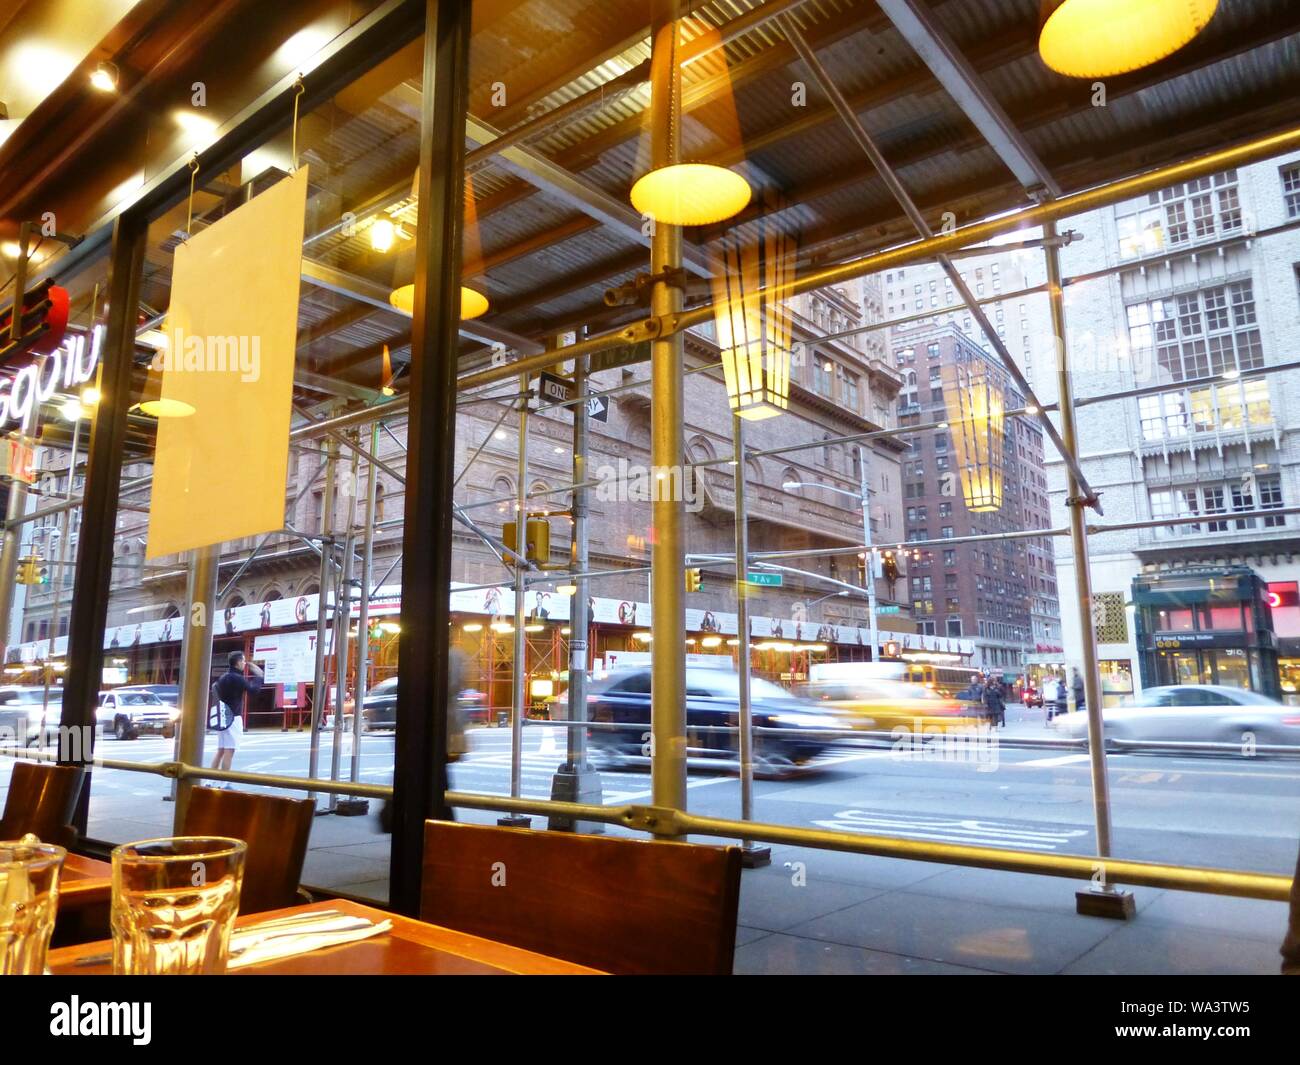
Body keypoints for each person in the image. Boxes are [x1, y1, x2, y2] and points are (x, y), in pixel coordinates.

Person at [379, 646, 469, 833]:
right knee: (436, 783)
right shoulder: (453, 658)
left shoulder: (430, 658)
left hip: (425, 730)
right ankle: (440, 830)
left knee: (427, 780)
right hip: (437, 732)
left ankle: (431, 829)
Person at [209, 650, 262, 782]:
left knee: (221, 750)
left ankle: (209, 780)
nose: (245, 663)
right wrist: (259, 676)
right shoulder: (238, 678)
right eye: (243, 661)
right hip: (233, 718)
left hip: (223, 717)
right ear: (238, 662)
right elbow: (253, 691)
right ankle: (224, 783)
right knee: (229, 751)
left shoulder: (223, 677)